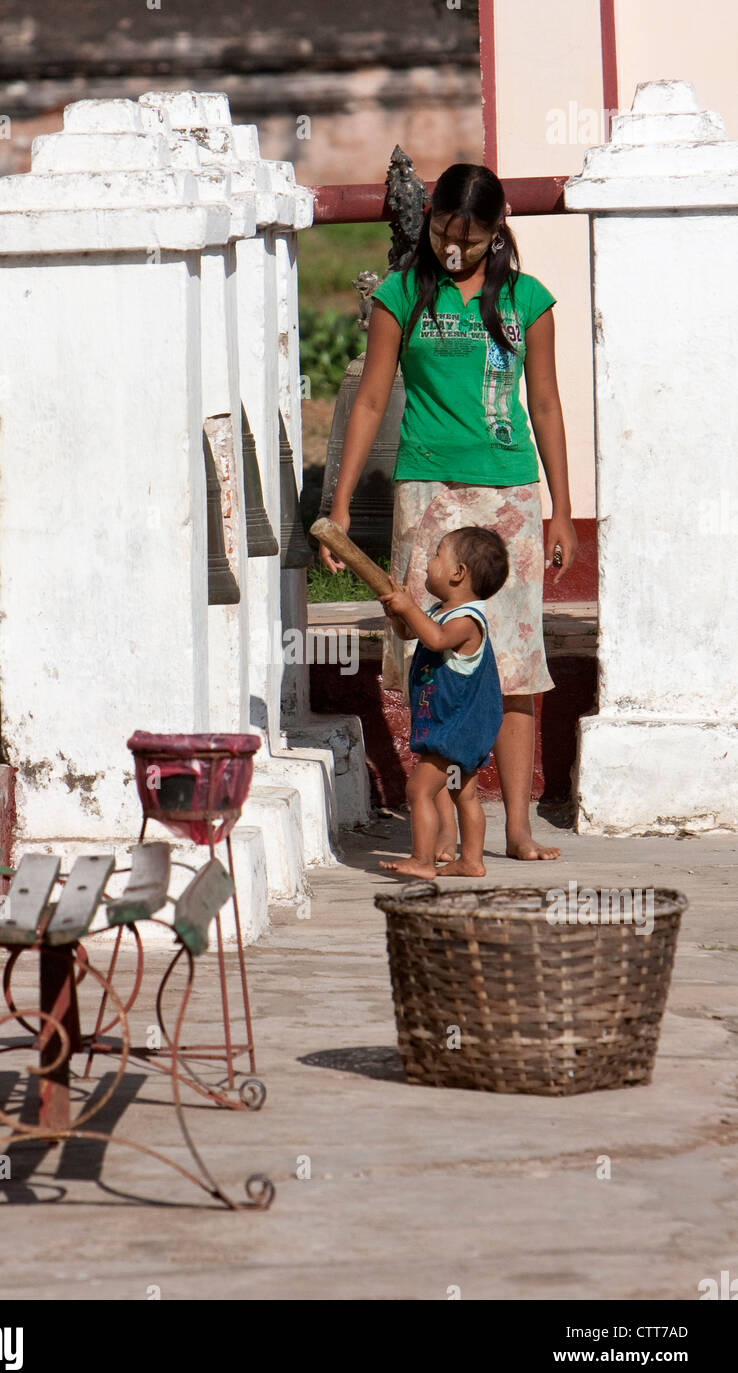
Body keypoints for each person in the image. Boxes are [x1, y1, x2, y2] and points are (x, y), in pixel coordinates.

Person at [318, 163, 578, 862]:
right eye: (441, 233)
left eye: (470, 236)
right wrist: (338, 506)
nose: (453, 249)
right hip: (427, 494)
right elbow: (371, 402)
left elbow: (546, 404)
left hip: (511, 500)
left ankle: (517, 828)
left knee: (515, 665)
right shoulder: (399, 296)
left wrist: (561, 509)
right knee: (426, 656)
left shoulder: (531, 302)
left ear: (498, 233)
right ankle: (435, 821)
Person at [378, 526, 507, 879]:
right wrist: (398, 613)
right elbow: (413, 633)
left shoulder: (466, 620)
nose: (429, 562)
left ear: (458, 573)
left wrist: (410, 607)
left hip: (455, 726)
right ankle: (471, 861)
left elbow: (434, 640)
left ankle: (422, 859)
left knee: (418, 789)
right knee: (462, 793)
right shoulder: (440, 610)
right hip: (454, 723)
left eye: (437, 555)